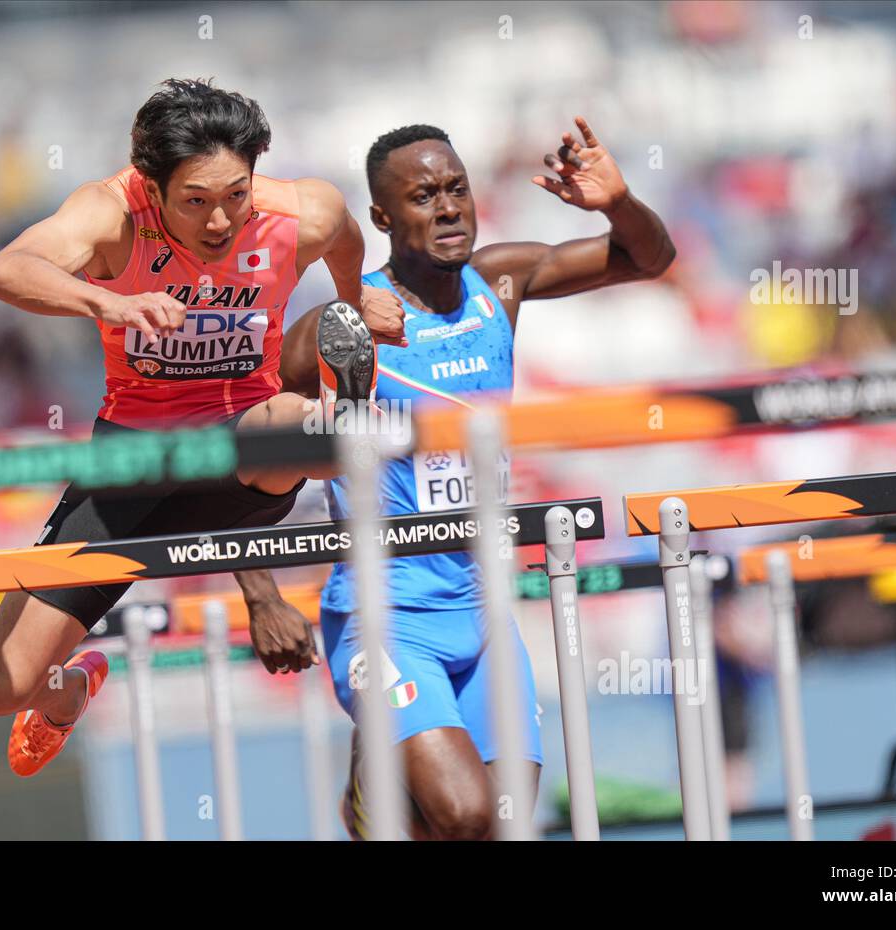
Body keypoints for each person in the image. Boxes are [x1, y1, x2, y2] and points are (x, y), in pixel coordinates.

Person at [0, 78, 402, 776]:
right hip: (132, 461)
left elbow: (347, 238)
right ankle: (70, 689)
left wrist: (359, 301)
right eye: (195, 202)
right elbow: (6, 270)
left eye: (236, 194)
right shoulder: (111, 213)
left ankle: (344, 410)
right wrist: (104, 303)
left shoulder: (304, 212)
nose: (219, 222)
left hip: (242, 436)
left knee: (296, 425)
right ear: (153, 183)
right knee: (0, 687)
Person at [274, 118, 676, 839]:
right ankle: (373, 784)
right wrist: (256, 588)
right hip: (384, 616)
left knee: (504, 827)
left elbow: (648, 259)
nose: (449, 207)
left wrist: (617, 201)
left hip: (484, 616)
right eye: (424, 196)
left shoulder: (501, 281)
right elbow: (265, 394)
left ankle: (383, 785)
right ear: (382, 218)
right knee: (463, 813)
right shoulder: (351, 320)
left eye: (456, 189)